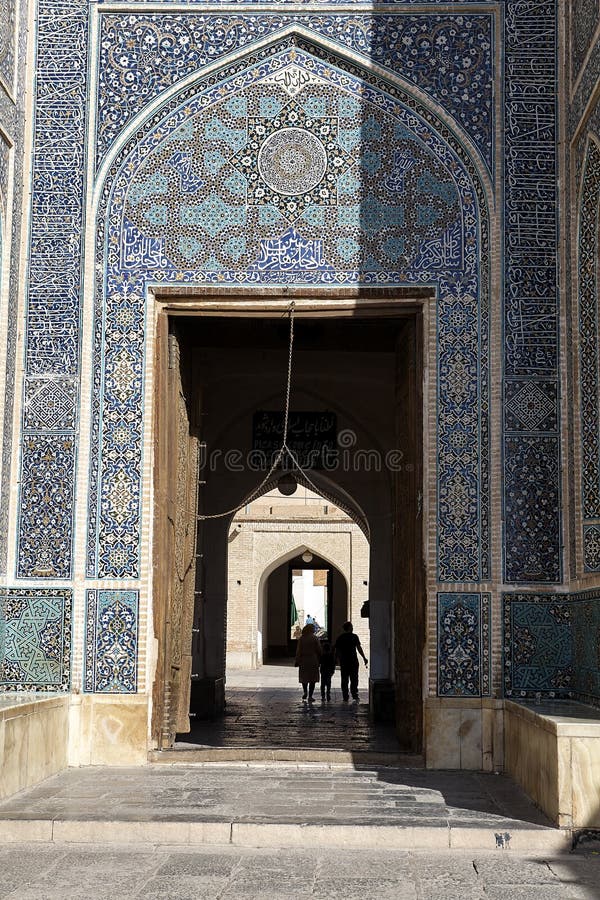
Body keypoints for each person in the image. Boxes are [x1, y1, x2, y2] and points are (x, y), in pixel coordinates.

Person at [334, 621, 368, 702]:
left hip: (344, 661)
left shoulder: (340, 637)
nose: (352, 628)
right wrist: (364, 657)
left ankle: (345, 696)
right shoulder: (354, 637)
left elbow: (337, 650)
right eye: (351, 626)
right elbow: (359, 648)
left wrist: (336, 659)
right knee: (354, 679)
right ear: (349, 628)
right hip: (353, 661)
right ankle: (354, 694)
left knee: (344, 679)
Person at [295, 623, 322, 701]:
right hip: (313, 659)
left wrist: (297, 660)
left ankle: (305, 692)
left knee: (304, 677)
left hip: (303, 660)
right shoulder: (315, 638)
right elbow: (319, 649)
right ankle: (310, 696)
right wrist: (321, 657)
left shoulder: (301, 638)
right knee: (312, 679)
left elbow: (298, 651)